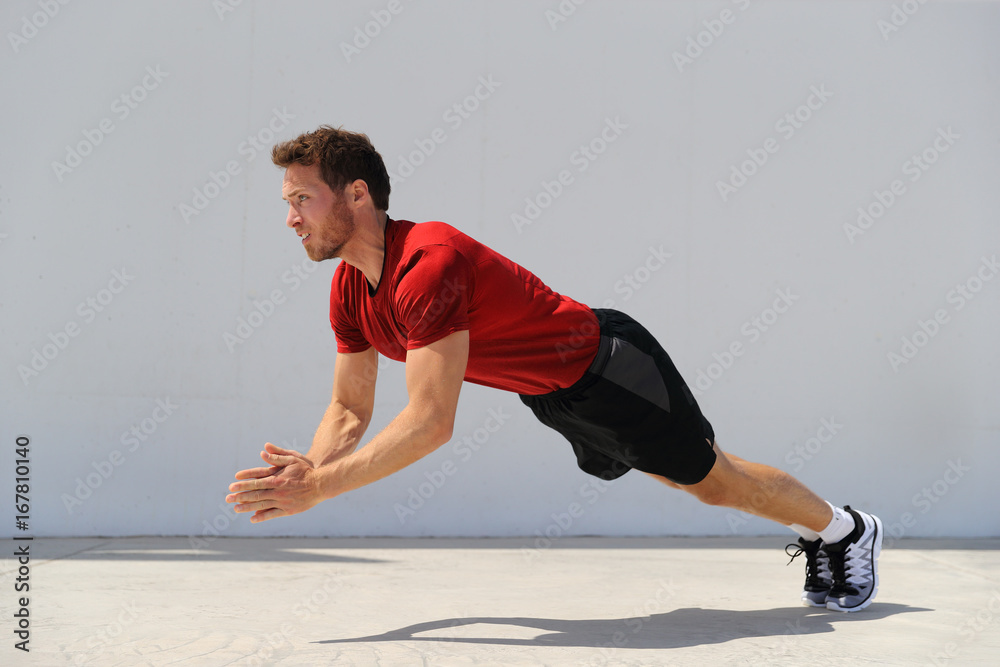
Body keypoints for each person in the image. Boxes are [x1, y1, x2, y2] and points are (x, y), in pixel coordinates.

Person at [224, 126, 883, 612]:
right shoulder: (348, 289)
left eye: (302, 199)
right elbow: (349, 409)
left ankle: (844, 528)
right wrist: (311, 466)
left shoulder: (430, 264)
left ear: (358, 194)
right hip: (552, 398)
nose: (290, 218)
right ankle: (827, 527)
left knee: (714, 482)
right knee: (683, 476)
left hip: (613, 368)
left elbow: (429, 422)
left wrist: (321, 489)